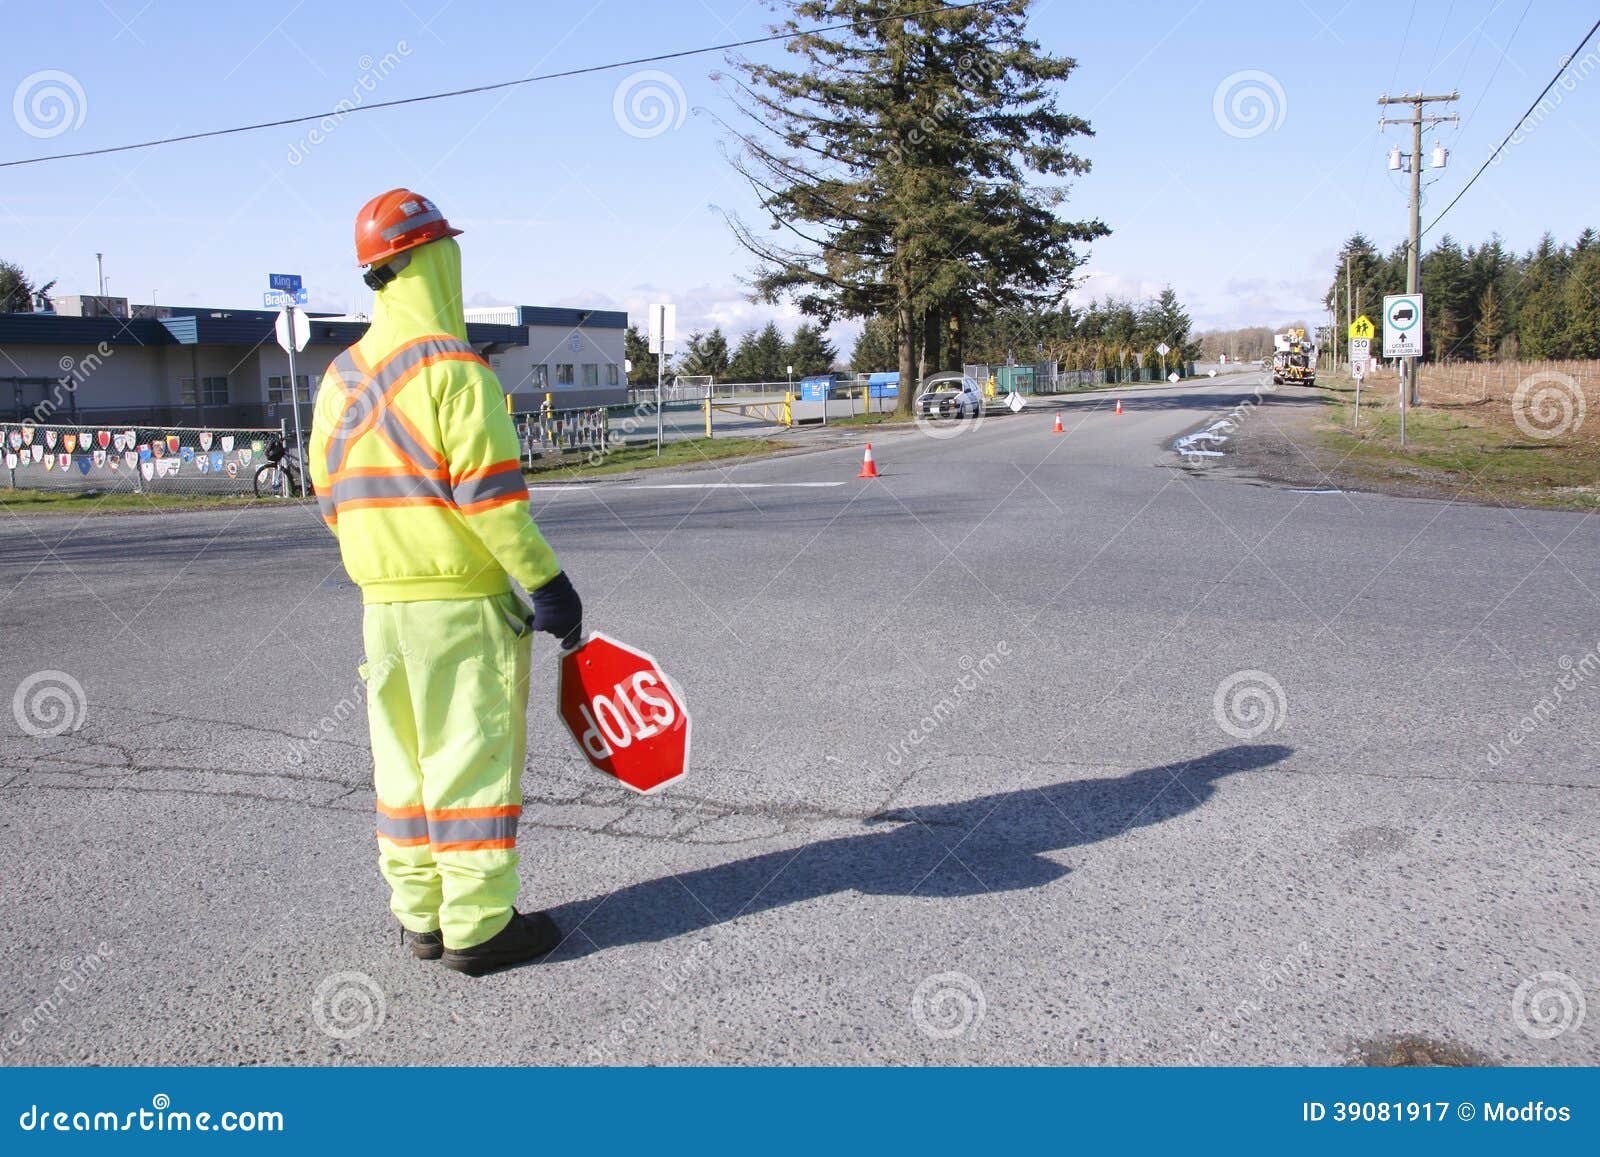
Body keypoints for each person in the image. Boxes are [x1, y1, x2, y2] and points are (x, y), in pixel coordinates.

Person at [308, 188, 583, 976]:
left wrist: (389, 558)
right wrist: (548, 583)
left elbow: (331, 499)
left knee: (403, 767)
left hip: (381, 608)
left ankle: (420, 917)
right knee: (471, 761)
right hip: (462, 606)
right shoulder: (455, 370)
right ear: (436, 259)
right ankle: (479, 926)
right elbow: (492, 501)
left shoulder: (341, 377)